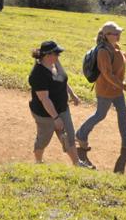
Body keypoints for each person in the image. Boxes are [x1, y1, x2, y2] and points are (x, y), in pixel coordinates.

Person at [75, 22, 126, 153]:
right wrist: (125, 86)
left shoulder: (114, 46)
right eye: (116, 33)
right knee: (100, 115)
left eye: (119, 33)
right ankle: (80, 135)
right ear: (107, 35)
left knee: (123, 114)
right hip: (106, 90)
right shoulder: (102, 51)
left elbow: (120, 54)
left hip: (116, 89)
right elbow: (107, 74)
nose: (119, 35)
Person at [28, 40, 93, 169]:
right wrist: (56, 118)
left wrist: (72, 94)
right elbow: (44, 99)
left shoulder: (55, 63)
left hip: (62, 108)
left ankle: (77, 163)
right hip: (45, 114)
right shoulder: (38, 74)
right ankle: (38, 162)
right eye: (56, 53)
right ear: (47, 55)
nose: (59, 56)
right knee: (44, 139)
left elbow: (62, 79)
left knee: (69, 135)